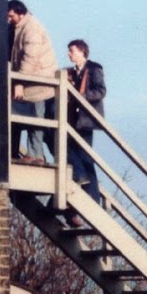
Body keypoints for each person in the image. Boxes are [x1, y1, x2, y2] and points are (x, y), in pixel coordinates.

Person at [7, 0, 57, 164]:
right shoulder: (22, 27)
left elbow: (30, 58)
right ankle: (34, 153)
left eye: (11, 16)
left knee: (36, 119)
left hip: (38, 84)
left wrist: (19, 83)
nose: (9, 19)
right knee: (30, 119)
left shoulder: (32, 29)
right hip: (33, 82)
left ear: (19, 13)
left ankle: (36, 154)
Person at [65, 39, 105, 201]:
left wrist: (82, 97)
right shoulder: (71, 72)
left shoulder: (94, 68)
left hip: (86, 120)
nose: (69, 54)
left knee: (85, 157)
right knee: (72, 151)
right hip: (73, 119)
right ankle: (85, 185)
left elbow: (100, 91)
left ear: (82, 52)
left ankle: (94, 197)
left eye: (72, 51)